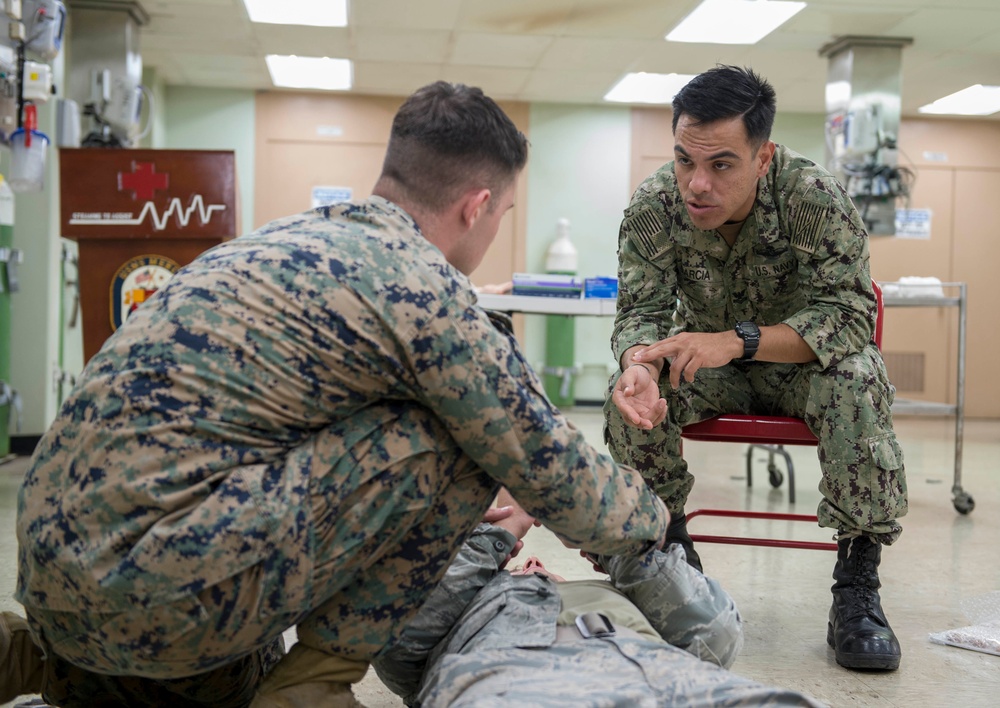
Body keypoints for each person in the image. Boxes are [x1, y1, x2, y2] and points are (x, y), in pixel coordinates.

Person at [9, 81, 670, 708]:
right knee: (463, 435)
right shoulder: (424, 293)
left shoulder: (278, 240)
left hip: (50, 572)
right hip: (161, 599)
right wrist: (657, 518)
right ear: (476, 207)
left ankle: (33, 655)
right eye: (500, 213)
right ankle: (315, 684)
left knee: (226, 679)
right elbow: (560, 477)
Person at [603, 65, 906, 672]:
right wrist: (637, 363)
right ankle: (671, 558)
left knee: (857, 377)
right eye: (686, 159)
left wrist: (736, 340)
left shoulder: (812, 199)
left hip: (798, 366)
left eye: (721, 165)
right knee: (633, 398)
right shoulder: (655, 207)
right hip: (709, 367)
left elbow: (848, 316)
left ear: (763, 157)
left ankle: (857, 584)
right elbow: (641, 312)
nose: (696, 184)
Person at [372, 492, 825, 707]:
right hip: (512, 684)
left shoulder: (620, 597)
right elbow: (397, 640)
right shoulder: (465, 604)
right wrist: (497, 532)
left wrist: (615, 543)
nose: (531, 567)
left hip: (670, 682)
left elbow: (716, 632)